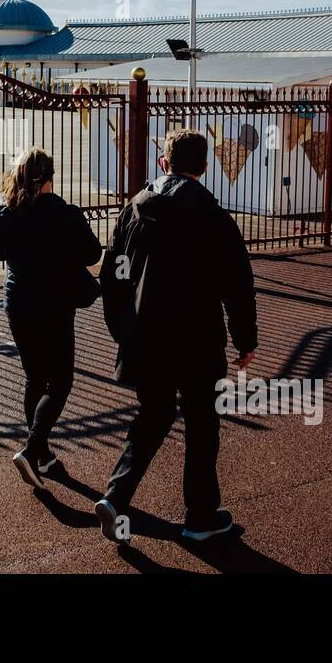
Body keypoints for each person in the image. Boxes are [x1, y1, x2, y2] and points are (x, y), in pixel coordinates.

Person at [95, 128, 258, 543]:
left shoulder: (135, 209)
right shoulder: (213, 216)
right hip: (196, 338)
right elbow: (237, 283)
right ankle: (200, 516)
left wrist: (120, 326)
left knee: (154, 414)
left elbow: (114, 273)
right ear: (204, 168)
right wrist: (245, 339)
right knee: (203, 423)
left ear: (164, 163)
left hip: (145, 334)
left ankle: (116, 495)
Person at [0, 147, 102, 489]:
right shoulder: (64, 214)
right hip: (54, 304)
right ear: (50, 177)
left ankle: (43, 456)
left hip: (19, 303)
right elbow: (93, 253)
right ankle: (33, 448)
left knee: (35, 378)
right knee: (61, 382)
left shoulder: (5, 214)